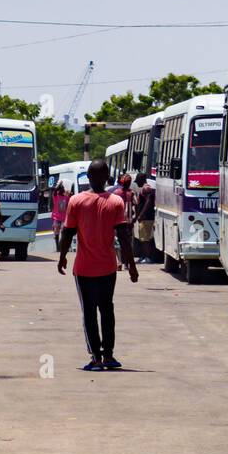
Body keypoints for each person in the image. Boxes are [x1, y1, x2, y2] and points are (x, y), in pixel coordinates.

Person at [58, 159, 137, 371]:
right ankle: (109, 356)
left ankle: (96, 357)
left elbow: (67, 232)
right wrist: (131, 265)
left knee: (89, 312)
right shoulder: (115, 202)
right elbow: (124, 236)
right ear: (107, 178)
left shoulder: (76, 201)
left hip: (83, 269)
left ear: (89, 178)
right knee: (107, 309)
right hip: (108, 267)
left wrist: (62, 256)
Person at [133, 172, 156, 263]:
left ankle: (147, 257)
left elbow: (148, 203)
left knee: (145, 239)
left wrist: (141, 215)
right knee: (143, 238)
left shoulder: (146, 188)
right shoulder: (145, 188)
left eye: (138, 181)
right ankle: (144, 256)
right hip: (145, 217)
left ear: (141, 180)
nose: (137, 183)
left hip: (146, 218)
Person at [51, 180, 70, 250]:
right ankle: (57, 247)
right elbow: (55, 191)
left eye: (63, 189)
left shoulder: (66, 198)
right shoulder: (56, 197)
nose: (62, 190)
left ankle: (61, 245)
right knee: (56, 233)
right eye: (61, 189)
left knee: (63, 232)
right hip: (56, 218)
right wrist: (59, 185)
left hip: (64, 219)